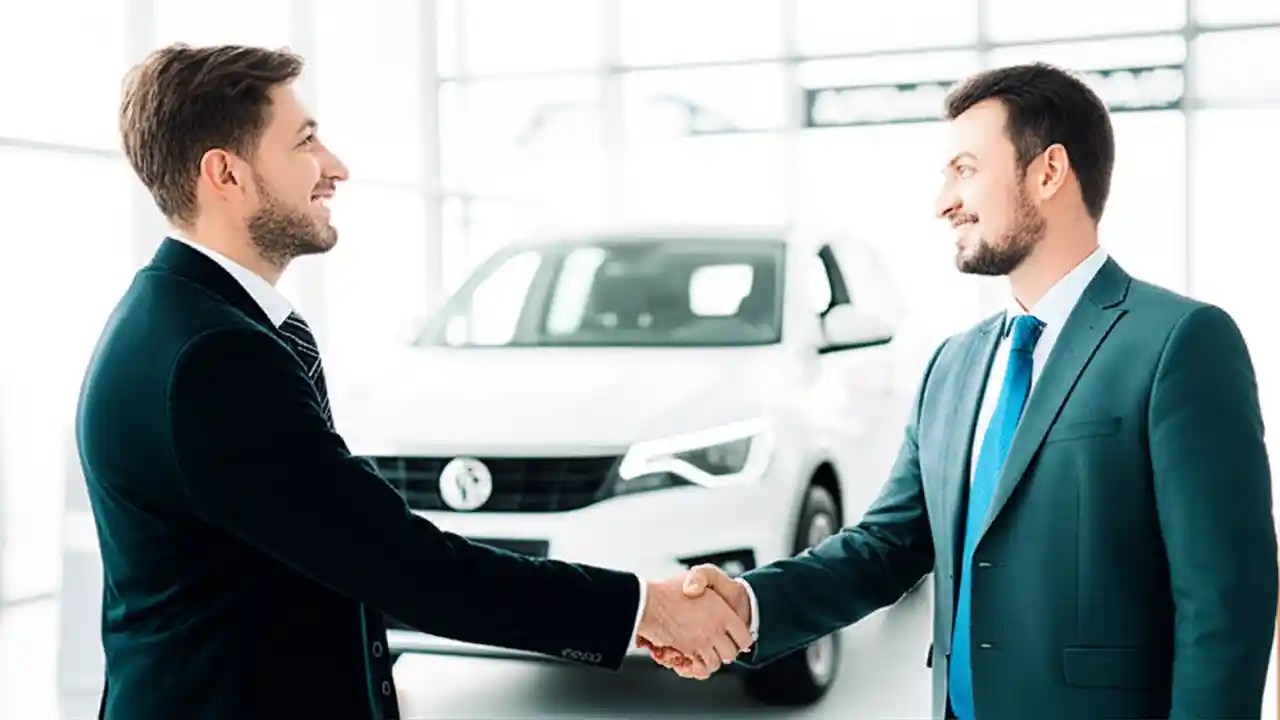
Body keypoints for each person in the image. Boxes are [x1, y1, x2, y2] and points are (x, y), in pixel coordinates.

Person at [75, 44, 750, 720]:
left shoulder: (174, 320)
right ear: (226, 173)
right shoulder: (214, 357)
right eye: (305, 142)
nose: (335, 168)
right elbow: (399, 564)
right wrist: (646, 610)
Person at [650, 63, 1277, 719]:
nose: (943, 200)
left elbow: (1225, 601)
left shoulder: (1180, 343)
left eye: (966, 169)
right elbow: (884, 549)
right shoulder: (954, 364)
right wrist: (747, 607)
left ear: (1049, 171)